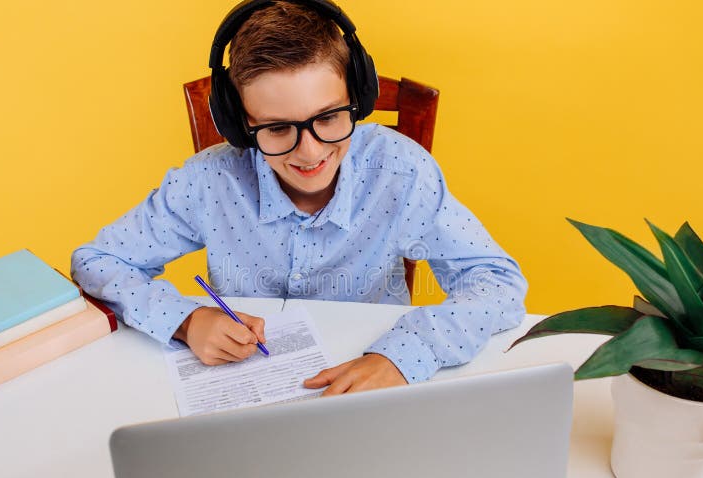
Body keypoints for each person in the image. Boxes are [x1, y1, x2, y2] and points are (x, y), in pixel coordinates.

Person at [71, 0, 527, 396]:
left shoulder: (400, 172)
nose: (309, 152)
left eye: (328, 117)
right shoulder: (208, 182)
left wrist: (406, 355)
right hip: (242, 384)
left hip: (370, 375)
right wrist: (186, 321)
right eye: (276, 128)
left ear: (358, 97)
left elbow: (497, 282)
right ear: (240, 124)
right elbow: (95, 262)